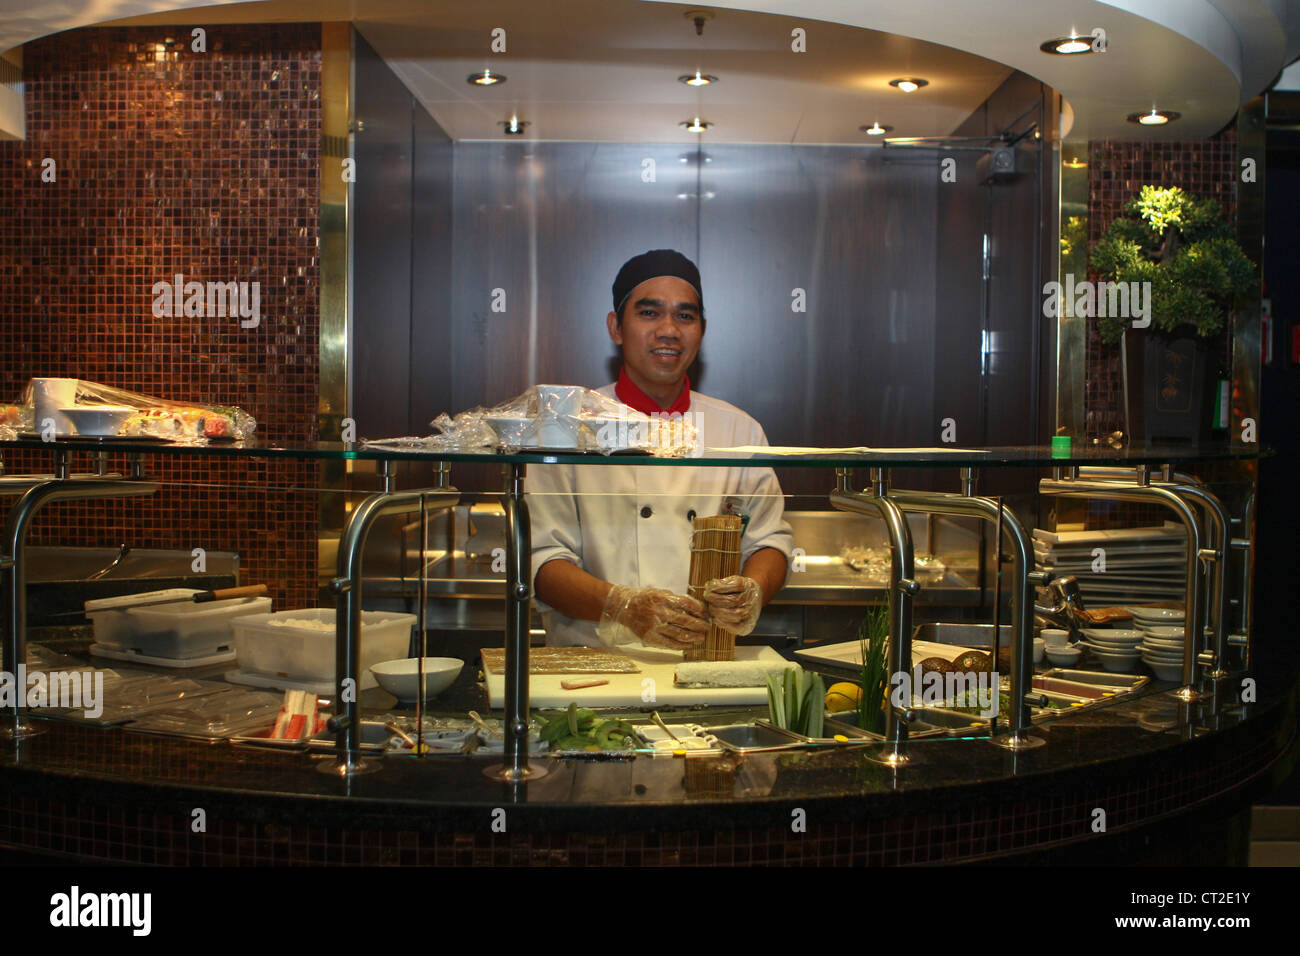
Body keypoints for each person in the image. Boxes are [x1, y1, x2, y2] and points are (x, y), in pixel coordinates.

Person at [528, 249, 793, 650]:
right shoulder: (568, 428)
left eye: (685, 316)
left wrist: (752, 590)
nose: (669, 330)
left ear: (702, 330)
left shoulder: (739, 430)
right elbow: (541, 560)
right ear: (616, 327)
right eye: (649, 313)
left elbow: (769, 541)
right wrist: (622, 607)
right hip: (591, 663)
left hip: (702, 661)